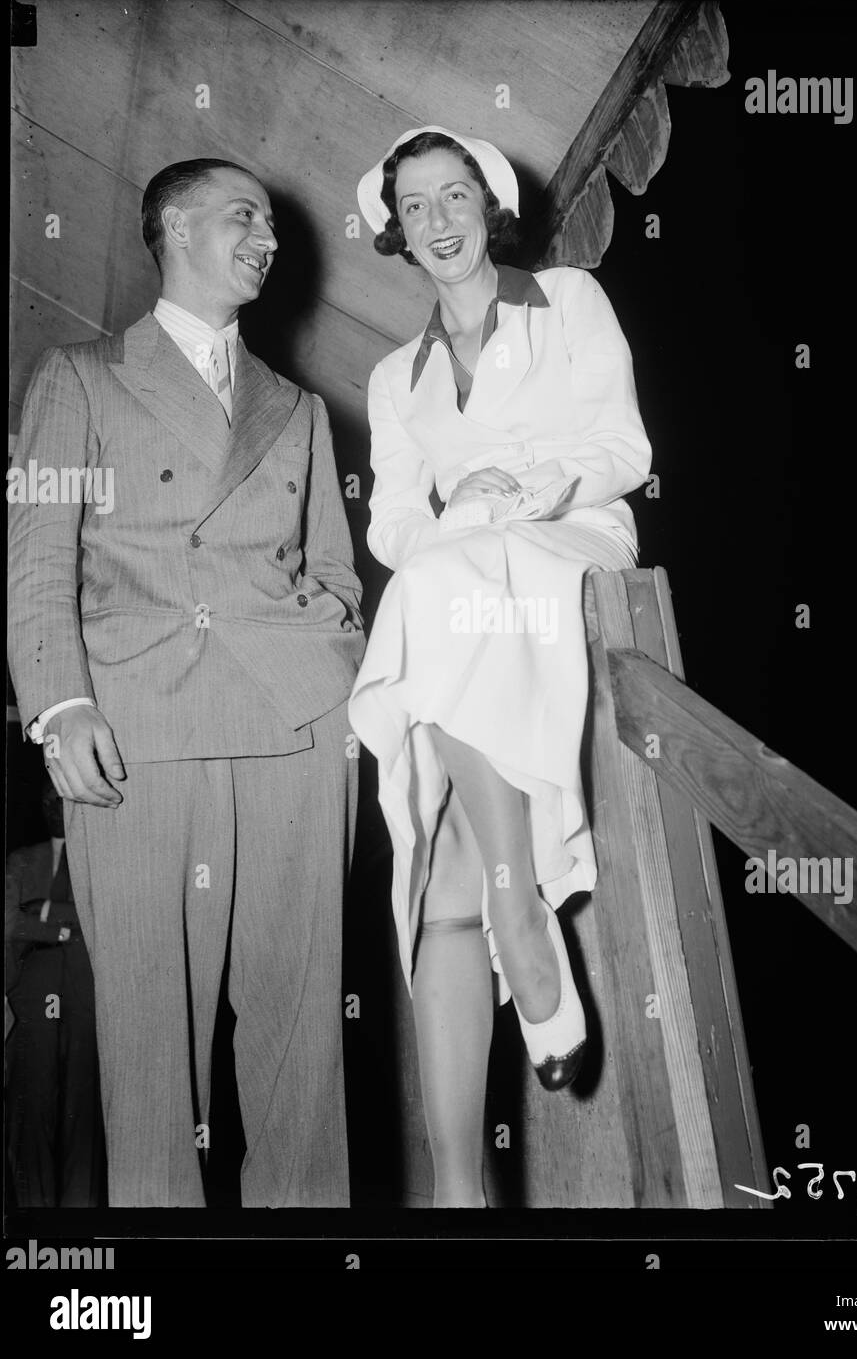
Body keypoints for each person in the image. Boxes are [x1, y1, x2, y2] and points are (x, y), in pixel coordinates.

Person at [7, 158, 365, 1207]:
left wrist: (335, 668)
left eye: (270, 222)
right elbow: (36, 557)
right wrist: (59, 703)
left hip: (294, 723)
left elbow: (335, 571)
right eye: (240, 215)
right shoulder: (76, 375)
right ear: (170, 227)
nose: (265, 237)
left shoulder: (295, 406)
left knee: (305, 1037)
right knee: (149, 1044)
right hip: (136, 724)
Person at [348, 126, 652, 1207]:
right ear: (395, 227)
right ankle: (454, 1189)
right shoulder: (394, 377)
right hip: (465, 579)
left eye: (453, 196)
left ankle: (524, 903)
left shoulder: (567, 300)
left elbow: (625, 450)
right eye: (414, 204)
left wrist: (526, 493)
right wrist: (453, 521)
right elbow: (389, 522)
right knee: (439, 885)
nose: (436, 220)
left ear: (489, 204)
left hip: (573, 538)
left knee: (438, 606)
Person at [6, 783, 106, 1207]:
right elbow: (10, 923)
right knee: (34, 1102)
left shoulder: (105, 859)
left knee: (84, 1106)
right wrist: (67, 929)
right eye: (46, 801)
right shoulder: (21, 860)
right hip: (35, 986)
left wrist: (43, 912)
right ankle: (35, 1213)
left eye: (61, 800)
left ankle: (79, 1214)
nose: (54, 808)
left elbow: (104, 919)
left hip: (88, 990)